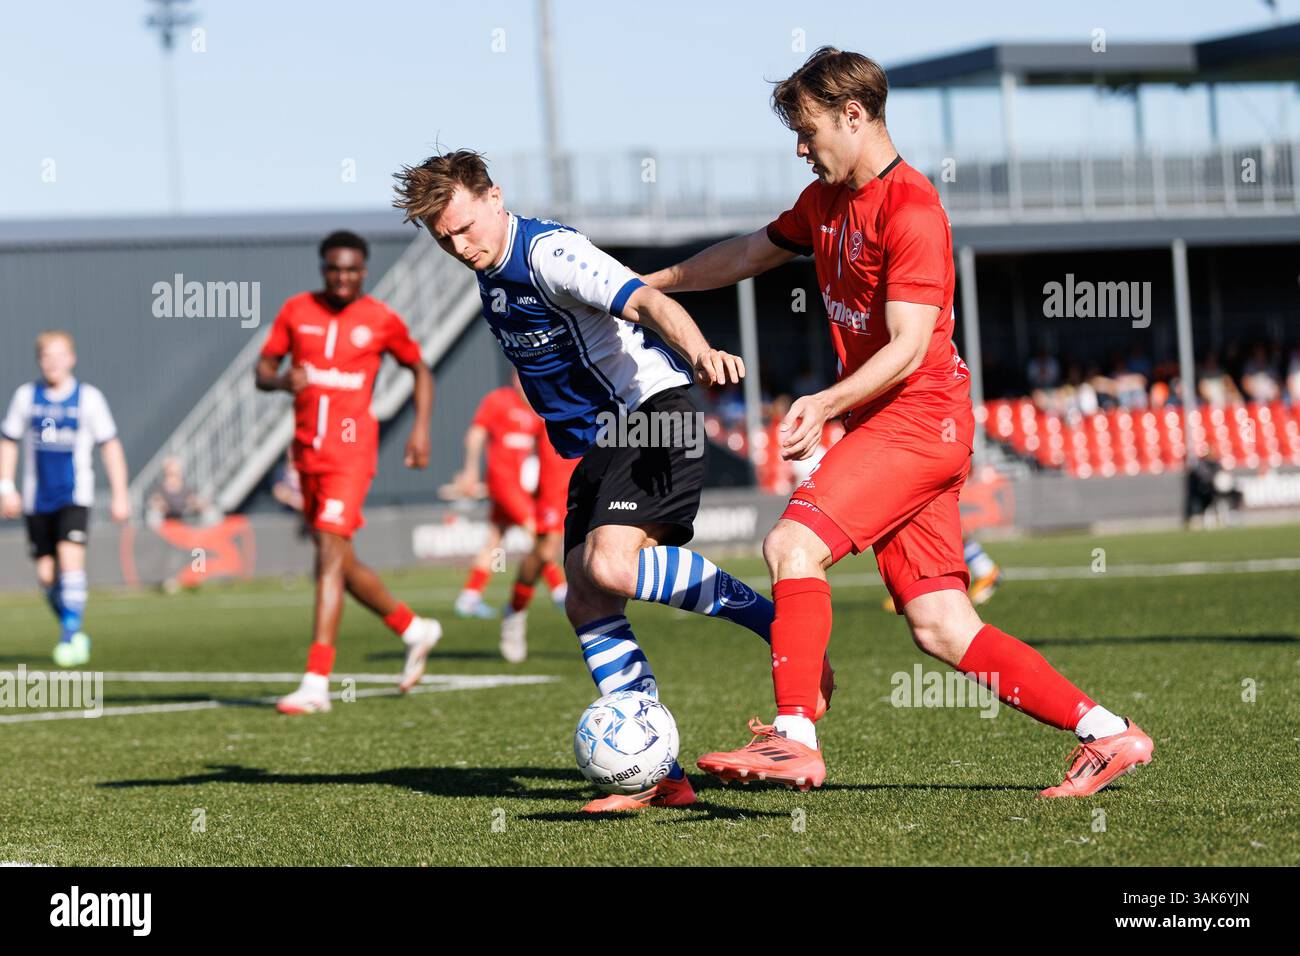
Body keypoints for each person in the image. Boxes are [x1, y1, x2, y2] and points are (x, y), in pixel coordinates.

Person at [644, 47, 1152, 798]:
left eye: (808, 129)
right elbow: (748, 253)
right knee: (943, 626)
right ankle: (1109, 733)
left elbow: (911, 346)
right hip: (898, 425)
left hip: (919, 421)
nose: (799, 146)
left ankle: (794, 738)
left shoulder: (913, 207)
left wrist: (825, 402)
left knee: (791, 543)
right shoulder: (823, 202)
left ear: (855, 115)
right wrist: (641, 287)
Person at [392, 149, 834, 812]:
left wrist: (701, 352)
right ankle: (660, 775)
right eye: (443, 238)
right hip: (603, 445)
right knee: (586, 600)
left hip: (655, 414)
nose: (458, 245)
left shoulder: (551, 253)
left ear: (493, 197)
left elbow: (648, 300)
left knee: (612, 565)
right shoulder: (490, 270)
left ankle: (777, 627)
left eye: (464, 226)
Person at [255, 230, 443, 714]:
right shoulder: (297, 310)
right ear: (323, 269)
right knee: (336, 556)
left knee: (327, 558)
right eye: (334, 269)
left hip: (351, 453)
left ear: (364, 270)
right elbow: (262, 369)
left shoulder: (379, 319)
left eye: (352, 269)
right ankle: (413, 628)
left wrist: (420, 431)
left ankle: (317, 680)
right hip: (307, 457)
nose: (343, 277)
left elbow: (420, 368)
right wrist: (280, 381)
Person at [0, 330, 131, 666]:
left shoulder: (89, 399)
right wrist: (6, 487)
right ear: (39, 361)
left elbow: (110, 447)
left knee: (70, 560)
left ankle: (70, 636)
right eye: (46, 356)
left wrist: (120, 494)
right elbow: (8, 442)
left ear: (72, 358)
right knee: (46, 576)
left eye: (60, 355)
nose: (53, 362)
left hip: (75, 497)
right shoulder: (25, 397)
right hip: (35, 499)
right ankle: (72, 627)